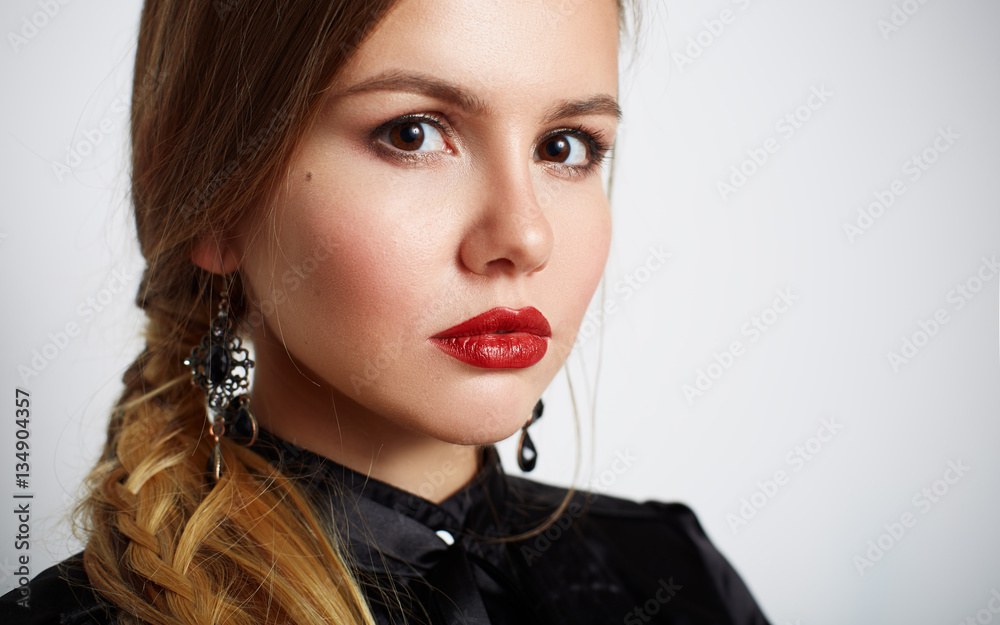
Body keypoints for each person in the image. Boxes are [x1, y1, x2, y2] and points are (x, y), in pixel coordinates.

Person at [1, 0, 772, 623]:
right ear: (212, 201)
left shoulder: (677, 574)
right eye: (412, 133)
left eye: (566, 146)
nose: (525, 235)